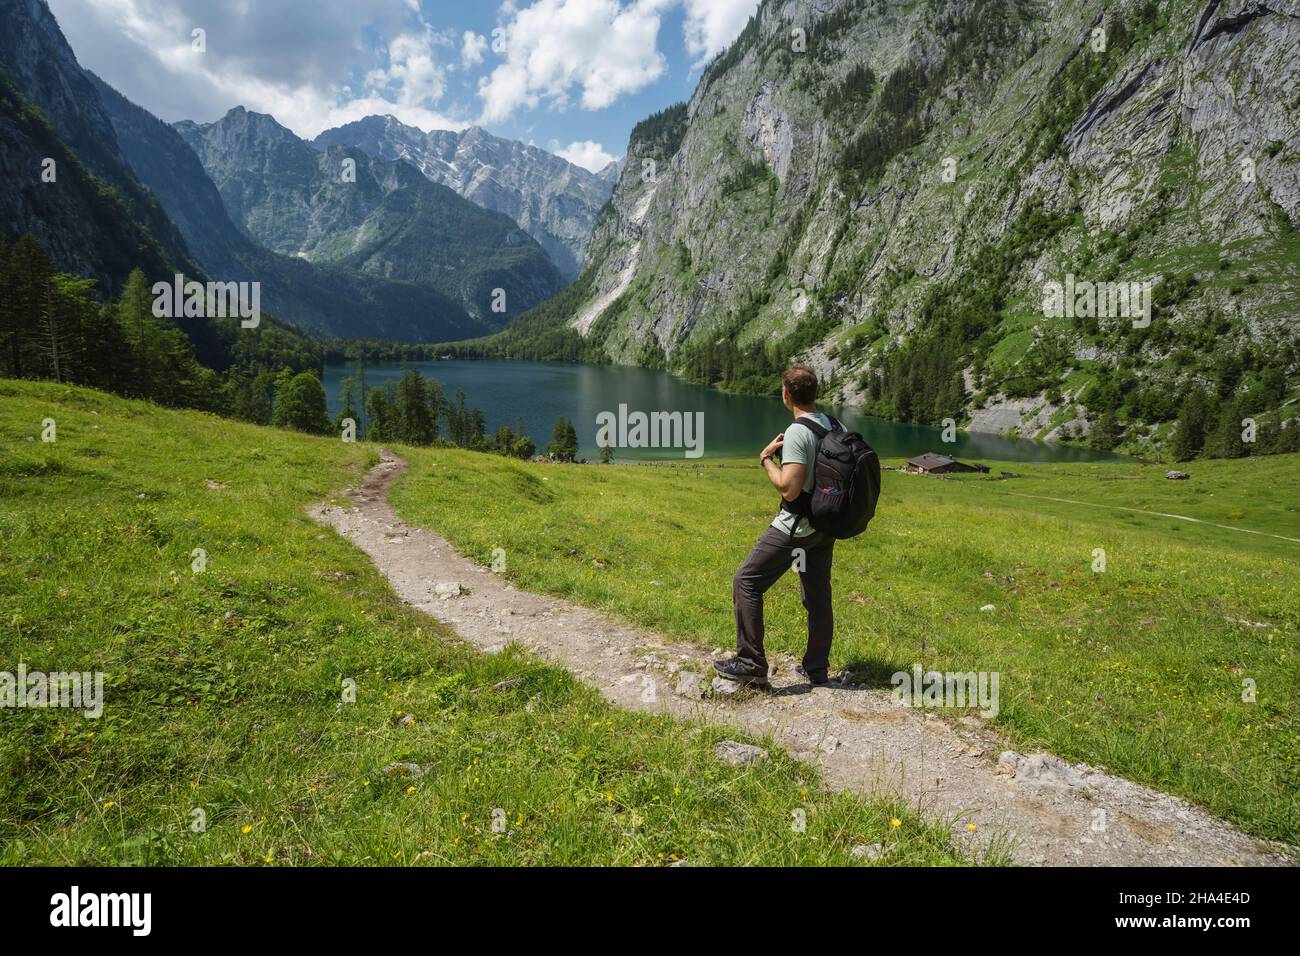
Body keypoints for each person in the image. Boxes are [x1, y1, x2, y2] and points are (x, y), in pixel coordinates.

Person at [715, 365, 836, 689]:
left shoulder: (797, 431)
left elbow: (789, 488)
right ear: (814, 392)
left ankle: (751, 663)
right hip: (824, 527)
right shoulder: (833, 423)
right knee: (817, 596)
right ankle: (817, 669)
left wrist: (767, 458)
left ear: (785, 394)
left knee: (747, 581)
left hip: (796, 529)